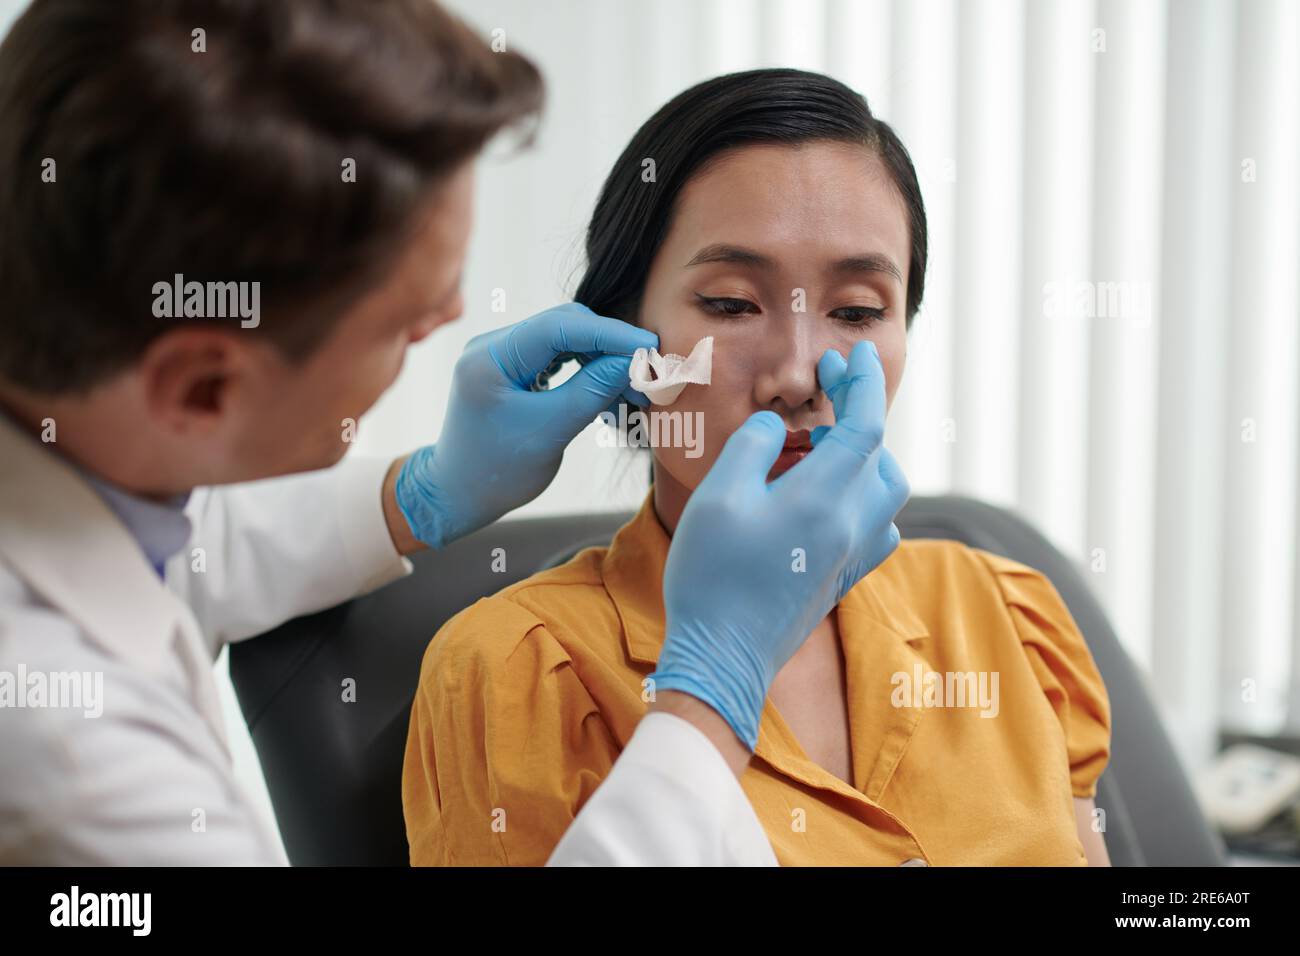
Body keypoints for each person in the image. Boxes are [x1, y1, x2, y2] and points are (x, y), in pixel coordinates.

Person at [0, 2, 903, 866]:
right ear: (200, 389)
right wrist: (714, 687)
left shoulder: (1003, 604)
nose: (453, 318)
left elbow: (179, 552)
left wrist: (421, 493)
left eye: (859, 309)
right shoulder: (72, 764)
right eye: (405, 323)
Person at [402, 69, 1113, 866]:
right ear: (622, 339)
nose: (798, 376)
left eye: (857, 311)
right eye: (734, 303)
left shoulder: (1006, 616)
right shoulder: (520, 670)